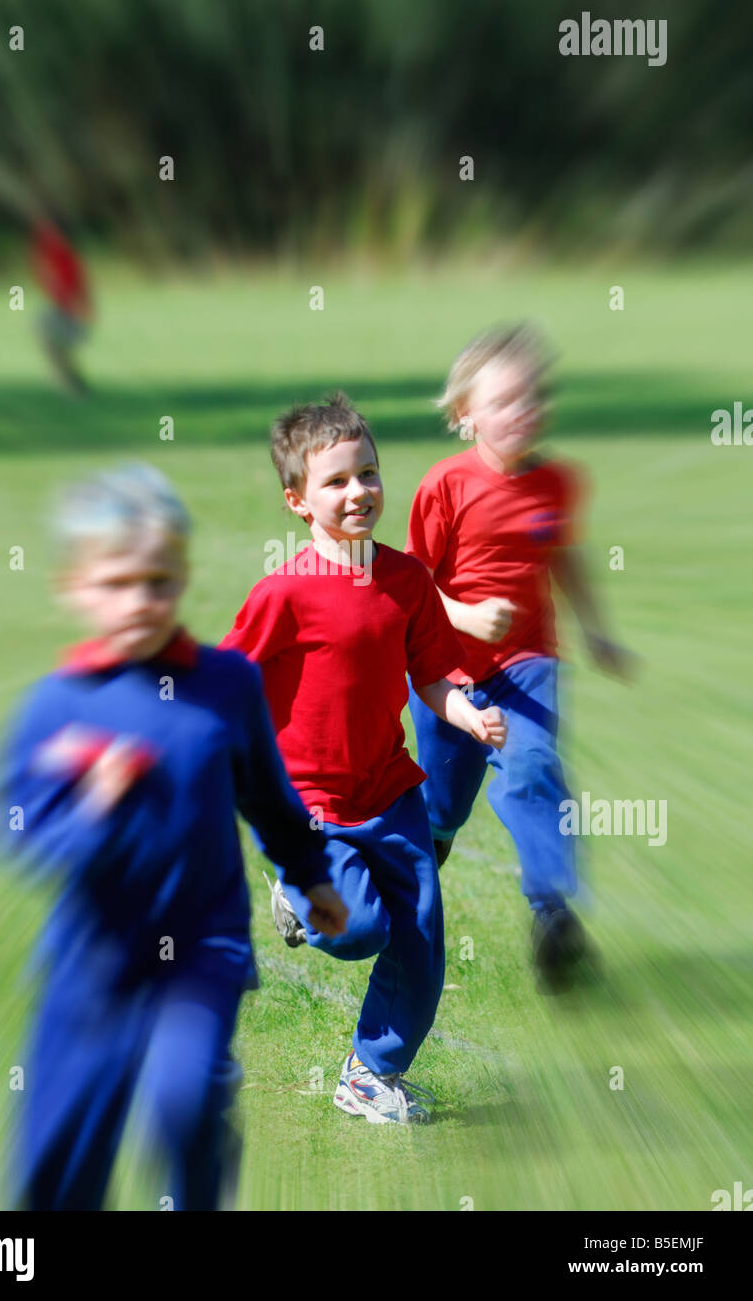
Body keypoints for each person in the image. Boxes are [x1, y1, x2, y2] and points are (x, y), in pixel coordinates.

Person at [0, 464, 346, 1209]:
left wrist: (311, 876)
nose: (139, 601)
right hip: (92, 963)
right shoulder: (54, 708)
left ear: (182, 576)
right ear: (73, 585)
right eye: (115, 582)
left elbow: (269, 797)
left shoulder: (226, 685)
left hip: (200, 949)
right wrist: (92, 807)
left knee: (185, 1104)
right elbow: (18, 834)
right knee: (54, 1163)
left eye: (157, 580)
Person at [219, 395, 506, 1124]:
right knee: (359, 931)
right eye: (337, 482)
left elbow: (434, 676)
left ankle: (370, 1073)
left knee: (419, 934)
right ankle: (297, 896)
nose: (359, 493)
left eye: (369, 474)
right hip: (307, 807)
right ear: (298, 501)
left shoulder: (409, 583)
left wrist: (467, 712)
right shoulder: (283, 593)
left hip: (390, 790)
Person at [405, 324, 633, 991]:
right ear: (464, 414)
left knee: (534, 765)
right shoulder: (444, 487)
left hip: (528, 664)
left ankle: (554, 918)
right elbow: (413, 589)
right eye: (503, 401)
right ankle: (377, 895)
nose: (522, 412)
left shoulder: (555, 482)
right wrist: (467, 616)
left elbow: (564, 556)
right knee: (441, 811)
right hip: (445, 674)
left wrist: (598, 631)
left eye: (533, 398)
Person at [31, 216, 93, 398]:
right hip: (67, 313)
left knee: (45, 334)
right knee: (48, 339)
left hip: (74, 315)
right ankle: (70, 382)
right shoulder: (56, 257)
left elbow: (72, 293)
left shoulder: (66, 258)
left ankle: (70, 383)